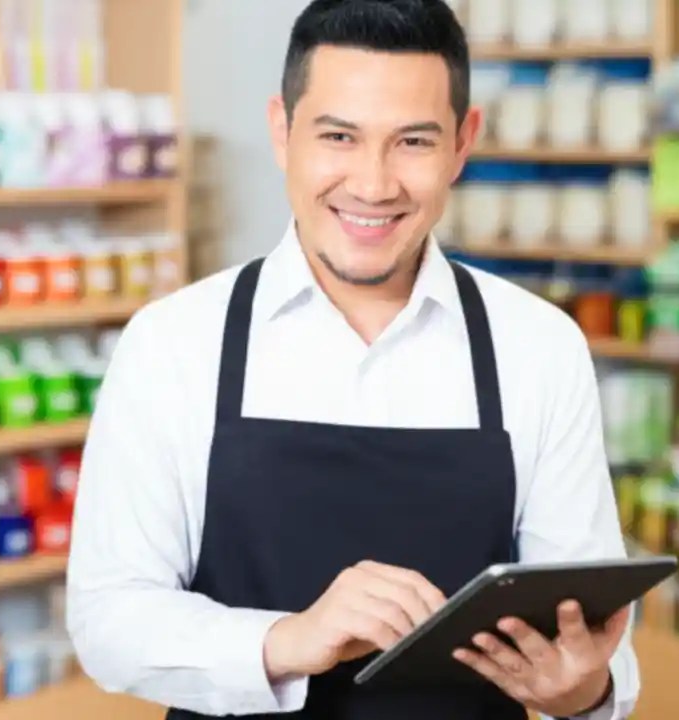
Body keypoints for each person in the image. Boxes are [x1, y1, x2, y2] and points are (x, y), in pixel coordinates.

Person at [65, 1, 639, 718]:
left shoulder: (539, 347)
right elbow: (109, 622)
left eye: (413, 142)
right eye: (339, 136)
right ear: (282, 131)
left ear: (464, 143)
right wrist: (287, 638)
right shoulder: (174, 344)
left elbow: (587, 628)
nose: (372, 184)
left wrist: (587, 692)